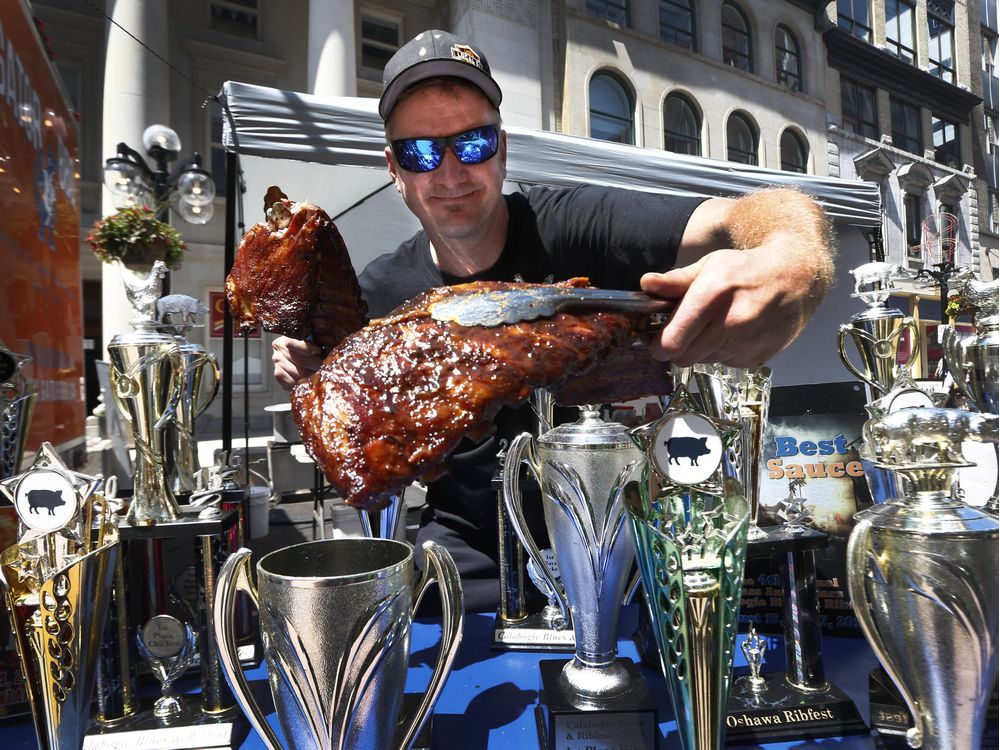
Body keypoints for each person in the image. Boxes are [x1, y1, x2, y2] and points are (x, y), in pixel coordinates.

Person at [272, 29, 834, 611]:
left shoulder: (574, 223)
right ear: (395, 168)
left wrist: (795, 257)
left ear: (502, 149)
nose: (449, 171)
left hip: (628, 540)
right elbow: (351, 431)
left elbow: (756, 210)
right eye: (420, 152)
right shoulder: (380, 293)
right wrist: (314, 377)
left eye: (472, 143)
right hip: (470, 552)